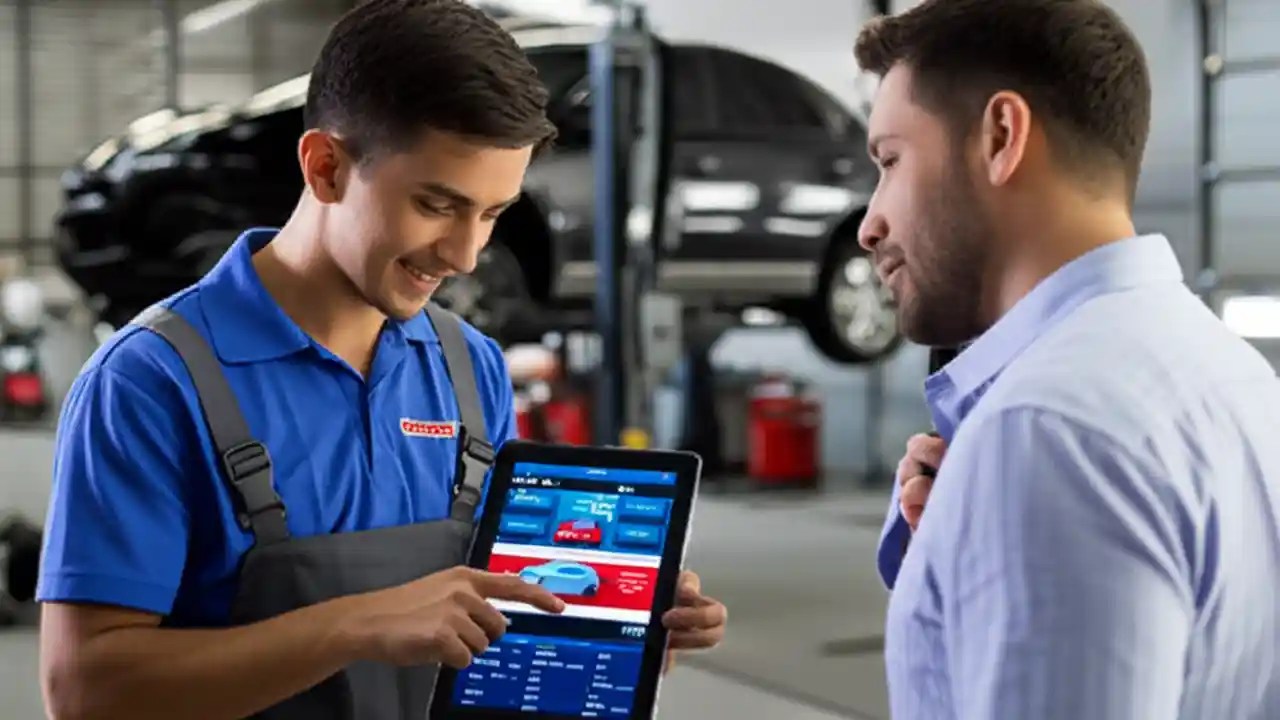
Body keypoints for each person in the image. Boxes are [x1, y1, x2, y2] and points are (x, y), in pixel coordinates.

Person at [36, 1, 726, 718]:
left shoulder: (470, 369)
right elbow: (85, 691)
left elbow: (474, 631)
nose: (465, 255)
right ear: (326, 166)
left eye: (491, 214)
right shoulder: (150, 382)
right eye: (436, 204)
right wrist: (357, 624)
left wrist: (600, 626)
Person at [855, 0, 1280, 718]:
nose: (870, 226)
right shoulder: (1233, 374)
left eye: (890, 161)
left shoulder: (1047, 431)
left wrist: (1019, 480)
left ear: (1000, 136)